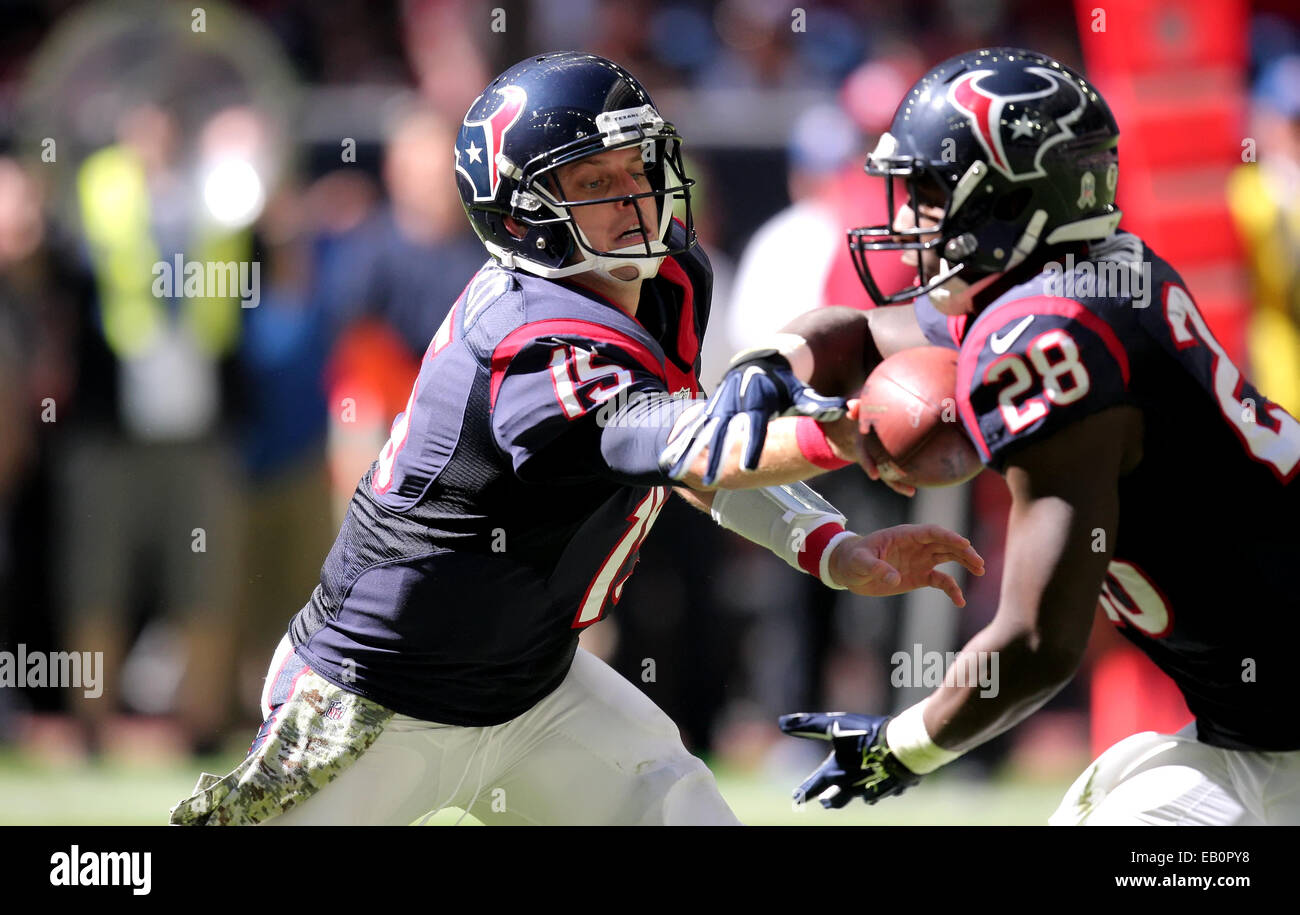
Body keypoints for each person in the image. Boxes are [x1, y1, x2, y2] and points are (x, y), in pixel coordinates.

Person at [168, 52, 982, 826]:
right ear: (520, 211)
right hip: (381, 695)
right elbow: (687, 444)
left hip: (535, 686)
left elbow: (691, 449)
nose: (634, 197)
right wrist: (852, 431)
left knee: (679, 806)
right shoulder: (527, 332)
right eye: (595, 181)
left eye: (639, 166)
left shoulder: (663, 279)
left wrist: (831, 545)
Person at [670, 47, 1300, 825]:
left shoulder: (1051, 335)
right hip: (1255, 730)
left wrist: (902, 745)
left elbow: (1038, 639)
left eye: (930, 192)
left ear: (1015, 197)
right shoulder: (1075, 278)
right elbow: (865, 334)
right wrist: (776, 361)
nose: (905, 219)